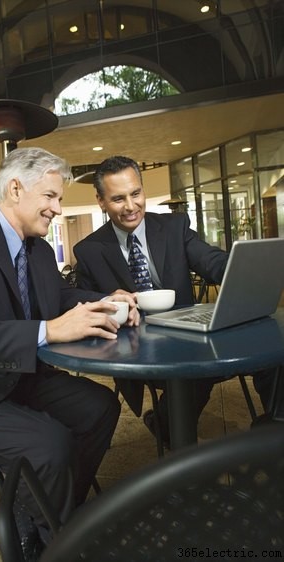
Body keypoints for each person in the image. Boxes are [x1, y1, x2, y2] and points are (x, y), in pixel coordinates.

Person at [0, 147, 139, 560]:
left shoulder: (39, 250)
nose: (58, 209)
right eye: (51, 196)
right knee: (48, 446)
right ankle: (58, 543)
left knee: (99, 407)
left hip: (16, 373)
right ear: (16, 188)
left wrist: (105, 299)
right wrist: (49, 330)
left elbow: (57, 296)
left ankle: (44, 515)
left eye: (60, 199)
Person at [73, 155, 230, 446]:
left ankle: (272, 424)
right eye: (118, 198)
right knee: (198, 370)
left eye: (136, 193)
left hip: (188, 338)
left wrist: (243, 267)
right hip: (134, 349)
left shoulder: (175, 226)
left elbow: (212, 262)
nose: (131, 206)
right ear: (101, 201)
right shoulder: (89, 250)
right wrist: (106, 299)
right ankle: (174, 438)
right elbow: (83, 301)